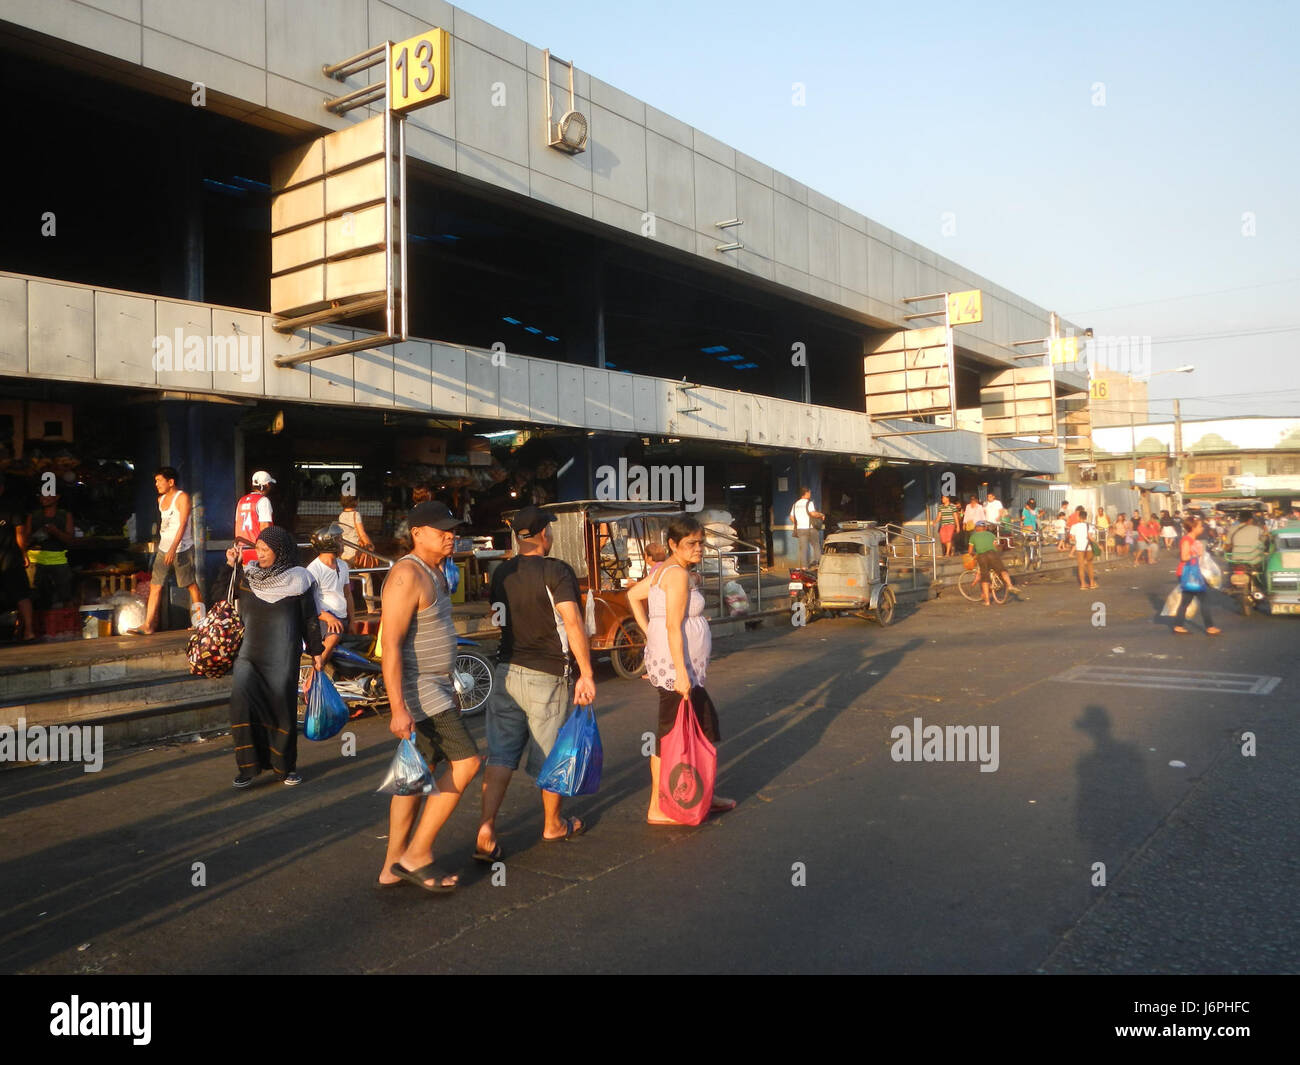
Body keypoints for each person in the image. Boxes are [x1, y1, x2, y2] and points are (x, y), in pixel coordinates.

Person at [475, 505, 597, 860]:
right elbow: (572, 621)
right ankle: (553, 824)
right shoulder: (556, 571)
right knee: (550, 755)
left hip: (506, 672)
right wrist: (586, 673)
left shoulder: (501, 573)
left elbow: (500, 618)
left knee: (499, 755)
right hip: (547, 674)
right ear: (544, 533)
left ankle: (486, 826)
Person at [377, 501, 482, 893]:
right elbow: (391, 645)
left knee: (415, 778)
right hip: (419, 691)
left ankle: (391, 866)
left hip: (437, 687)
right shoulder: (407, 574)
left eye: (452, 529)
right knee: (468, 763)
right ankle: (417, 853)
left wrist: (452, 685)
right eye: (442, 530)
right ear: (417, 532)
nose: (450, 535)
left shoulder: (437, 571)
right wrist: (397, 708)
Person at [628, 515, 737, 823]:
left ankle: (704, 793)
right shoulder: (675, 574)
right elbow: (674, 627)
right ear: (673, 544)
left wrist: (651, 632)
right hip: (680, 671)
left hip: (684, 668)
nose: (698, 548)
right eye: (691, 543)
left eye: (701, 542)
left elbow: (633, 596)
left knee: (703, 727)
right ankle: (658, 807)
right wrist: (681, 673)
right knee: (669, 735)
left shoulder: (668, 570)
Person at [223, 526, 324, 788]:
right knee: (241, 703)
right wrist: (230, 566)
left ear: (280, 551)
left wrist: (317, 653)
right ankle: (248, 767)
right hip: (249, 654)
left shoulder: (300, 579)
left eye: (266, 549)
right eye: (258, 548)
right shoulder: (248, 575)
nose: (260, 553)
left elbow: (310, 620)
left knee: (282, 709)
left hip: (282, 655)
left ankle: (284, 768)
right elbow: (221, 598)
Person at [137, 467, 203, 635]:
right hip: (163, 548)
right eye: (156, 481)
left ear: (171, 482)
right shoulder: (161, 500)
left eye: (160, 481)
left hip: (182, 548)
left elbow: (182, 525)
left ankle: (200, 623)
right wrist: (166, 547)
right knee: (155, 586)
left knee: (191, 585)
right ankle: (148, 625)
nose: (157, 484)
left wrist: (173, 548)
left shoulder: (182, 497)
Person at [307, 524, 354, 667]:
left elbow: (348, 594)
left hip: (342, 617)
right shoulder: (314, 569)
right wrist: (329, 618)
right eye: (339, 539)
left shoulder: (343, 565)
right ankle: (317, 670)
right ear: (329, 543)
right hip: (325, 618)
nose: (342, 543)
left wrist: (352, 620)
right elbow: (309, 603)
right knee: (333, 636)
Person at [24, 493, 75, 609]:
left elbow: (70, 540)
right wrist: (37, 535)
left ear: (57, 496)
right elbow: (25, 540)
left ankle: (67, 623)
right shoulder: (33, 515)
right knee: (33, 596)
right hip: (35, 561)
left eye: (48, 494)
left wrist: (55, 532)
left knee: (65, 596)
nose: (44, 498)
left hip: (58, 560)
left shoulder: (65, 515)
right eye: (41, 495)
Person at [1173, 515, 1221, 636]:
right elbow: (1184, 557)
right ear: (1193, 527)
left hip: (1191, 572)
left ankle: (1178, 625)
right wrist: (1197, 554)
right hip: (1188, 573)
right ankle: (1209, 627)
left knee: (1186, 601)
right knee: (1204, 599)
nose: (1202, 528)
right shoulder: (1187, 540)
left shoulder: (1193, 540)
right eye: (1200, 526)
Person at [0, 480, 35, 641]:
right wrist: (24, 554)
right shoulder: (11, 508)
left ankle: (27, 631)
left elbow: (20, 535)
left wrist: (23, 553)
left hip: (10, 559)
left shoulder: (11, 507)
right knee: (22, 596)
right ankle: (29, 632)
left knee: (22, 596)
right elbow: (20, 535)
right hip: (11, 559)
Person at [965, 520, 1026, 606]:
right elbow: (996, 546)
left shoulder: (973, 536)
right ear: (985, 528)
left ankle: (987, 601)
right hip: (992, 554)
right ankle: (1010, 585)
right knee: (1002, 570)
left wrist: (975, 555)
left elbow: (970, 551)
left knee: (985, 579)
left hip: (981, 557)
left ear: (976, 528)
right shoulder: (991, 535)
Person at [337, 493, 376, 607]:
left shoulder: (341, 515)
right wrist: (370, 545)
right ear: (355, 501)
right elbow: (361, 533)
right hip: (356, 552)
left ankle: (344, 607)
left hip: (344, 553)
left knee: (345, 580)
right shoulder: (356, 514)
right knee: (366, 577)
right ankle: (371, 608)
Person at [234, 471, 275, 565]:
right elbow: (265, 528)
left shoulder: (241, 501)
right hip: (258, 553)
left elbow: (238, 525)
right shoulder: (263, 501)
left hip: (241, 552)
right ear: (267, 485)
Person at [790, 488, 822, 568]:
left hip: (800, 529)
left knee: (803, 549)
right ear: (806, 493)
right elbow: (813, 514)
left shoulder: (795, 504)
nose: (810, 494)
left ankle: (804, 567)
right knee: (816, 546)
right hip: (810, 528)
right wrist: (821, 515)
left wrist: (798, 523)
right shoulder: (809, 503)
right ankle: (818, 565)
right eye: (809, 492)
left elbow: (791, 517)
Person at [1071, 507, 1099, 590]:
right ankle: (1092, 583)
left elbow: (1072, 538)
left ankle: (1083, 584)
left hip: (1079, 547)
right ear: (1086, 517)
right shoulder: (1089, 526)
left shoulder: (1074, 526)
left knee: (1081, 565)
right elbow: (1090, 537)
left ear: (1079, 517)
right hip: (1088, 547)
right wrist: (1097, 544)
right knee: (1090, 565)